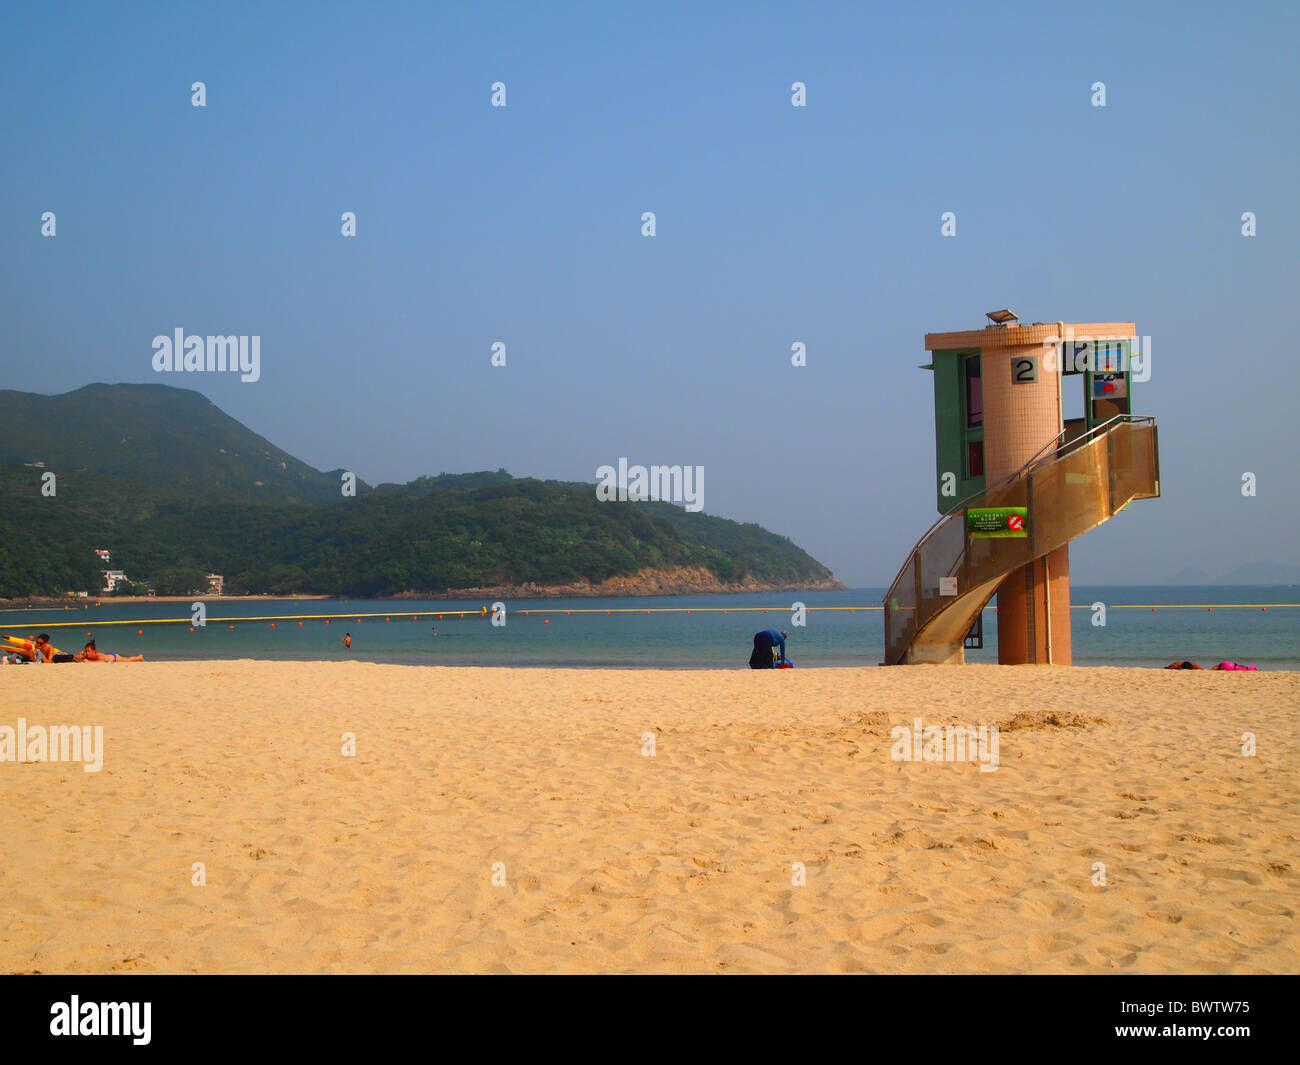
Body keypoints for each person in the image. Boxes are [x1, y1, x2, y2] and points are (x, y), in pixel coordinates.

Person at [79, 639, 143, 662]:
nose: (87, 653)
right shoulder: (88, 656)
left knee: (127, 660)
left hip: (115, 657)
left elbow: (103, 661)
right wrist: (80, 656)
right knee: (126, 659)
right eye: (86, 651)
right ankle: (139, 657)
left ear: (94, 651)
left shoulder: (99, 656)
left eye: (89, 651)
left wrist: (89, 662)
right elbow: (79, 659)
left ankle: (139, 657)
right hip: (108, 655)